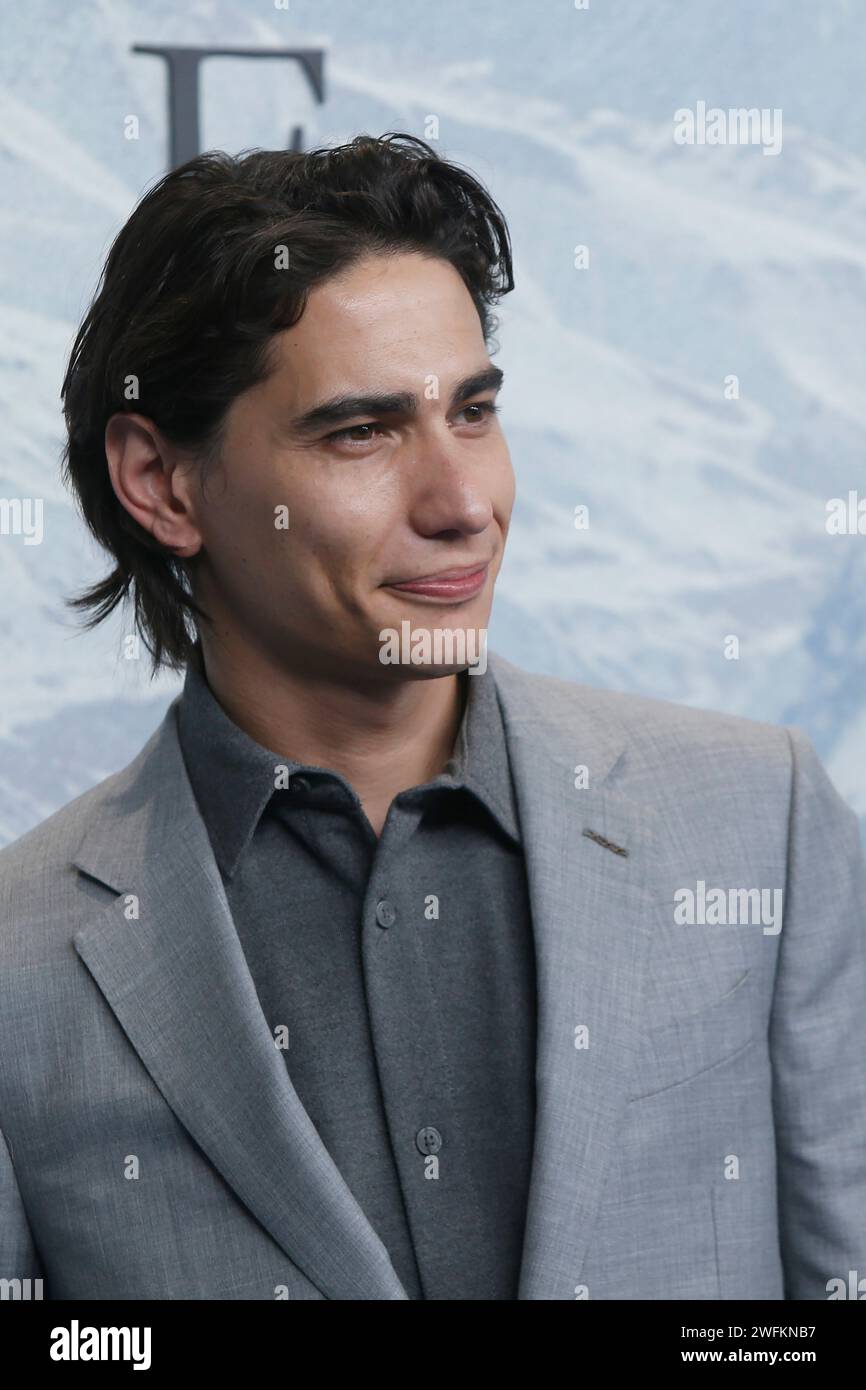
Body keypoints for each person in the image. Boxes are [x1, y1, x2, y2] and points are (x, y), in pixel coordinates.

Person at [1, 134, 864, 1301]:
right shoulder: (21, 967)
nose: (463, 503)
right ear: (162, 482)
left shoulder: (757, 825)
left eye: (472, 411)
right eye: (358, 431)